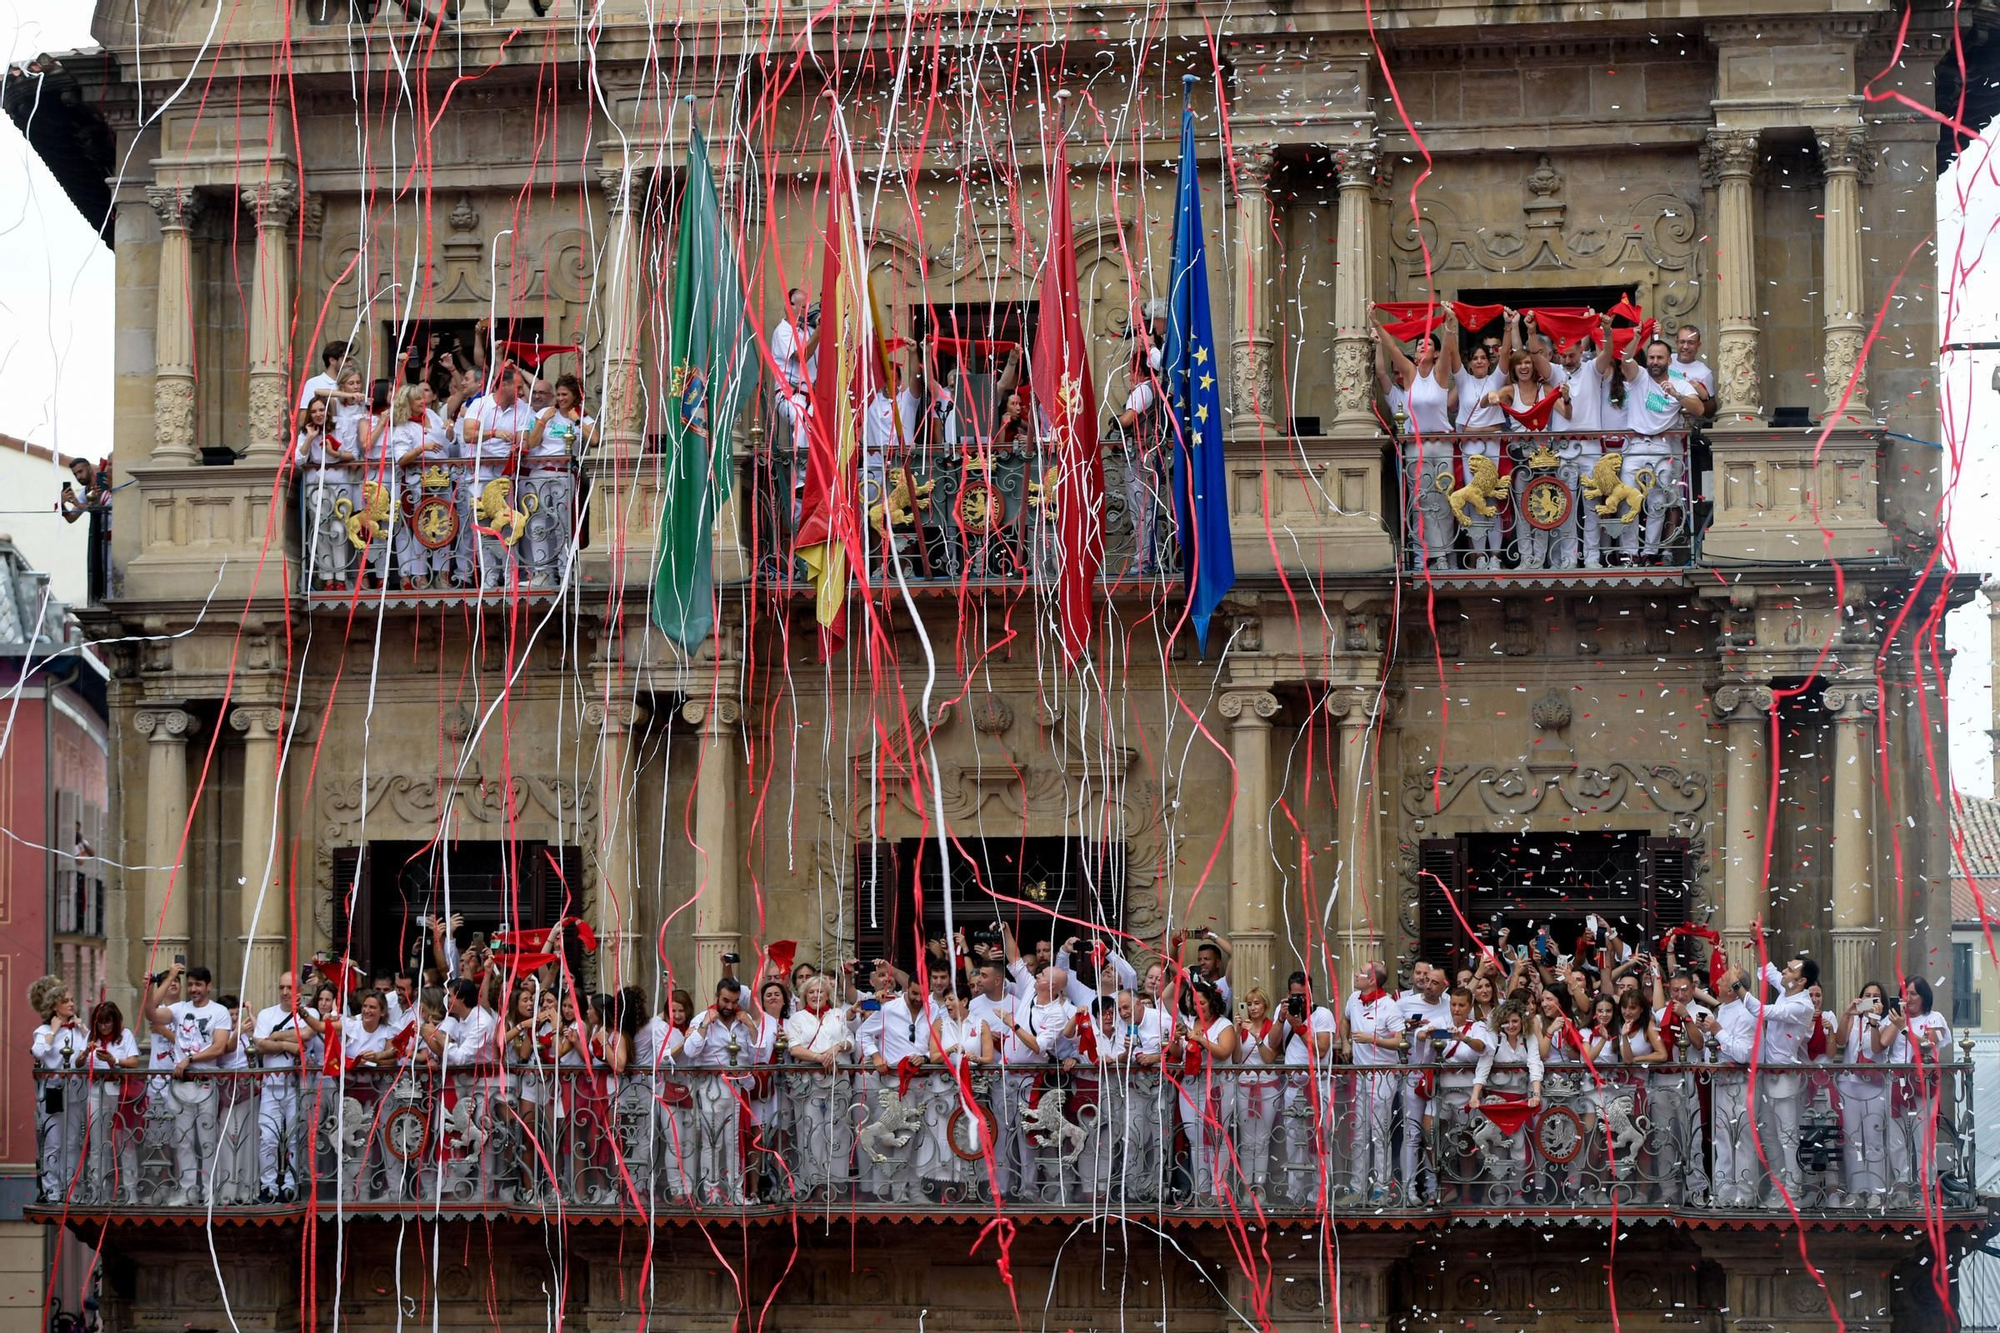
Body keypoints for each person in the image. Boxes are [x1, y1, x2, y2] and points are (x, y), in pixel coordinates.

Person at [145, 963, 233, 1206]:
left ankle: (209, 1189)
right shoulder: (179, 1008)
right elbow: (150, 1012)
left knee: (206, 1139)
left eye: (198, 985)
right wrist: (170, 976)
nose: (193, 989)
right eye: (191, 984)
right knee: (182, 1139)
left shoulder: (219, 1012)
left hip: (204, 1082)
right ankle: (187, 1190)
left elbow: (219, 1047)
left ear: (208, 986)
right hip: (181, 1085)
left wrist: (190, 1059)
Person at [1611, 339, 1702, 563]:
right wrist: (1635, 336)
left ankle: (1650, 552)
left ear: (1669, 360)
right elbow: (1625, 360)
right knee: (1627, 500)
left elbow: (1699, 408)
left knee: (1658, 501)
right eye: (1651, 357)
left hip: (1661, 447)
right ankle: (1630, 553)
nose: (1654, 362)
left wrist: (1677, 395)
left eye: (1659, 358)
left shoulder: (1679, 383)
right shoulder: (1639, 375)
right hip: (1635, 446)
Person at [1375, 320, 1457, 569]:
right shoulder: (1410, 375)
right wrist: (1378, 325)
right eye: (1420, 344)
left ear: (1436, 353)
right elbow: (1393, 351)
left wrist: (1450, 324)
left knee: (1444, 501)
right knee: (1423, 502)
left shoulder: (1440, 374)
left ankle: (1447, 555)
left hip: (1442, 445)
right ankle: (1436, 557)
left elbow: (1450, 347)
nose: (1424, 347)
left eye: (1429, 344)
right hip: (1417, 447)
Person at [683, 978, 766, 1206]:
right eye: (726, 1000)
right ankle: (711, 1193)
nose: (730, 1006)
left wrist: (750, 1025)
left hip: (738, 1086)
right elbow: (690, 1051)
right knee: (712, 1143)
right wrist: (704, 1026)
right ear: (717, 996)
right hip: (712, 1087)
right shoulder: (702, 1018)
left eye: (735, 1001)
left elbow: (760, 1055)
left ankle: (735, 1192)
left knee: (734, 1142)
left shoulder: (742, 1020)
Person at [459, 364, 537, 589]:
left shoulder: (522, 408)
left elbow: (525, 439)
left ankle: (511, 576)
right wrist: (493, 433)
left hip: (505, 476)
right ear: (504, 384)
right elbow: (467, 435)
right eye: (518, 387)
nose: (521, 392)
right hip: (479, 475)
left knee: (508, 526)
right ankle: (489, 577)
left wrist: (519, 444)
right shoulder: (480, 405)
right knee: (483, 527)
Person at [1881, 975, 1951, 1205]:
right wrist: (1896, 1023)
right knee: (1896, 1140)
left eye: (1913, 994)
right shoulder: (1896, 1019)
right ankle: (1901, 1185)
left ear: (1924, 996)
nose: (1908, 998)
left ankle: (1924, 1189)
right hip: (1897, 1084)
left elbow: (1928, 1043)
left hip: (1923, 1086)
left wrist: (1905, 1029)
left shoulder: (1935, 1018)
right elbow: (1881, 1044)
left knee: (1924, 1140)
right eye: (1905, 993)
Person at [248, 970, 314, 1203]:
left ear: (299, 990)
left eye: (290, 988)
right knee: (268, 1136)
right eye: (282, 987)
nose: (285, 992)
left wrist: (276, 1037)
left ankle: (291, 1184)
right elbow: (260, 1044)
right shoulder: (267, 1014)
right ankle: (268, 1186)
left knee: (295, 1137)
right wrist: (291, 1045)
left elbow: (306, 1033)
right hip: (271, 1085)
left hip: (298, 1087)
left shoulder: (310, 1013)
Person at [784, 973, 852, 1201]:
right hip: (809, 1081)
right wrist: (819, 1057)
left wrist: (836, 1049)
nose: (816, 995)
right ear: (804, 995)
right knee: (810, 1130)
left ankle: (835, 1183)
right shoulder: (797, 1018)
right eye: (811, 992)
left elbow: (850, 1041)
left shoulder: (837, 1014)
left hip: (837, 1079)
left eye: (820, 991)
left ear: (827, 994)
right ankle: (814, 1182)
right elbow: (794, 1048)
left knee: (837, 1130)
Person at [1342, 962, 1405, 1204]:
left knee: (1379, 1133)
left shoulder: (1390, 1006)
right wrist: (1346, 1042)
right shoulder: (1354, 998)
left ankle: (1381, 1188)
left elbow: (1400, 1041)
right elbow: (1345, 1019)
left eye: (1361, 972)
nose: (1356, 975)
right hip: (1360, 1074)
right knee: (1359, 1133)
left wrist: (1372, 1039)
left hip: (1383, 1075)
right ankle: (1357, 1189)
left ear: (1372, 980)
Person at [521, 373, 592, 588]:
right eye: (558, 394)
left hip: (564, 475)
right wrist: (543, 421)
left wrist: (576, 419)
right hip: (540, 474)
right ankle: (542, 572)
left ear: (574, 397)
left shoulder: (582, 416)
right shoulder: (544, 412)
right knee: (538, 523)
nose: (560, 399)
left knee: (562, 524)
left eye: (565, 395)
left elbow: (596, 439)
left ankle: (565, 571)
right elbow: (531, 443)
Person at [1469, 999, 1543, 1201]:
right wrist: (1475, 1096)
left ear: (1521, 1021)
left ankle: (1517, 1191)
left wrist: (1536, 1095)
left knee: (1519, 1150)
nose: (1511, 1026)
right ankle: (1500, 1193)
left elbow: (1535, 1065)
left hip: (1519, 1101)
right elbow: (1483, 1066)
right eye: (1507, 1022)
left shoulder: (1528, 1038)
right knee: (1497, 1150)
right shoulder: (1495, 1038)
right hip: (1496, 1102)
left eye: (1515, 1021)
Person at [1108, 334, 1167, 577]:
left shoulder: (1143, 390)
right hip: (1147, 456)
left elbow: (1127, 420)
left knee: (1141, 510)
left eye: (1131, 370)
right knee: (1144, 510)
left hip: (1141, 456)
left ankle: (1143, 560)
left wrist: (1114, 422)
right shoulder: (1150, 389)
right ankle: (1145, 558)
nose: (1129, 376)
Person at [1398, 963, 1453, 1202]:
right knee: (1412, 1133)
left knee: (1434, 1136)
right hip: (1414, 1075)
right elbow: (1391, 1033)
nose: (1428, 985)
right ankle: (1408, 1190)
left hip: (1444, 1078)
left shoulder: (1450, 1003)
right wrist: (1406, 1030)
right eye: (1427, 980)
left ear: (1444, 986)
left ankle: (1433, 1189)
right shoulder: (1403, 1004)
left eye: (1434, 982)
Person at [1833, 980, 1890, 1208]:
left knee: (1873, 1139)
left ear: (1882, 1002)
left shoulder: (1886, 1022)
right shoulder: (1854, 1020)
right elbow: (1840, 1041)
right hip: (1849, 1084)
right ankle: (1856, 1190)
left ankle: (1876, 1191)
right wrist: (1848, 1013)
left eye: (1876, 996)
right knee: (1852, 1140)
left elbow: (1878, 1049)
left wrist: (1874, 1021)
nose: (1871, 999)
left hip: (1873, 1086)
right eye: (1867, 995)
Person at [30, 976, 87, 1202]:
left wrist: (83, 1030)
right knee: (54, 1141)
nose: (71, 1004)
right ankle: (52, 1189)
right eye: (66, 1001)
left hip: (74, 1090)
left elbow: (90, 1050)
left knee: (72, 1142)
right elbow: (39, 1052)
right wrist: (52, 1032)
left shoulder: (77, 1029)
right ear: (55, 1005)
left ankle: (71, 1189)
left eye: (72, 1000)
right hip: (53, 1091)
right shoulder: (43, 1030)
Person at [81, 1000, 141, 1204]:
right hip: (97, 1090)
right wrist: (85, 1053)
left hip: (119, 1091)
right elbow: (79, 1063)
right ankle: (99, 1192)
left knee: (124, 1142)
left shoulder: (125, 1036)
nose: (104, 1027)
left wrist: (113, 1060)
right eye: (100, 1023)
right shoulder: (91, 1037)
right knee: (98, 1143)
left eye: (108, 1023)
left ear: (115, 1021)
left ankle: (131, 1192)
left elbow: (133, 1062)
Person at [1232, 987, 1282, 1202]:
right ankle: (1245, 1186)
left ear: (1265, 1005)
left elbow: (1269, 1058)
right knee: (1247, 1138)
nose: (1252, 1008)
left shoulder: (1272, 1028)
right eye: (1249, 1003)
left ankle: (1259, 1186)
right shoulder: (1241, 1029)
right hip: (1244, 1086)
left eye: (1256, 1003)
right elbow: (1235, 1058)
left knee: (1262, 1138)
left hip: (1267, 1087)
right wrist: (1236, 1031)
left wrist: (1256, 1036)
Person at [59, 455, 113, 602]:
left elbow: (93, 507)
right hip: (100, 538)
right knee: (102, 574)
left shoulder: (102, 484)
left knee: (110, 574)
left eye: (80, 472)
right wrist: (63, 503)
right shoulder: (88, 491)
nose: (78, 476)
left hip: (114, 535)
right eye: (75, 474)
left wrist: (76, 501)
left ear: (89, 469)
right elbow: (72, 517)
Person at [1672, 325, 1714, 415]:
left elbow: (1711, 412)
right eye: (1682, 342)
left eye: (1691, 343)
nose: (1685, 347)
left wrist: (1704, 398)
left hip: (1685, 425)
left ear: (1698, 345)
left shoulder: (1704, 373)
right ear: (1676, 343)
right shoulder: (1667, 360)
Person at [298, 342, 349, 408]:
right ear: (332, 360)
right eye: (346, 360)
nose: (350, 364)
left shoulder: (352, 384)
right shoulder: (313, 383)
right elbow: (304, 414)